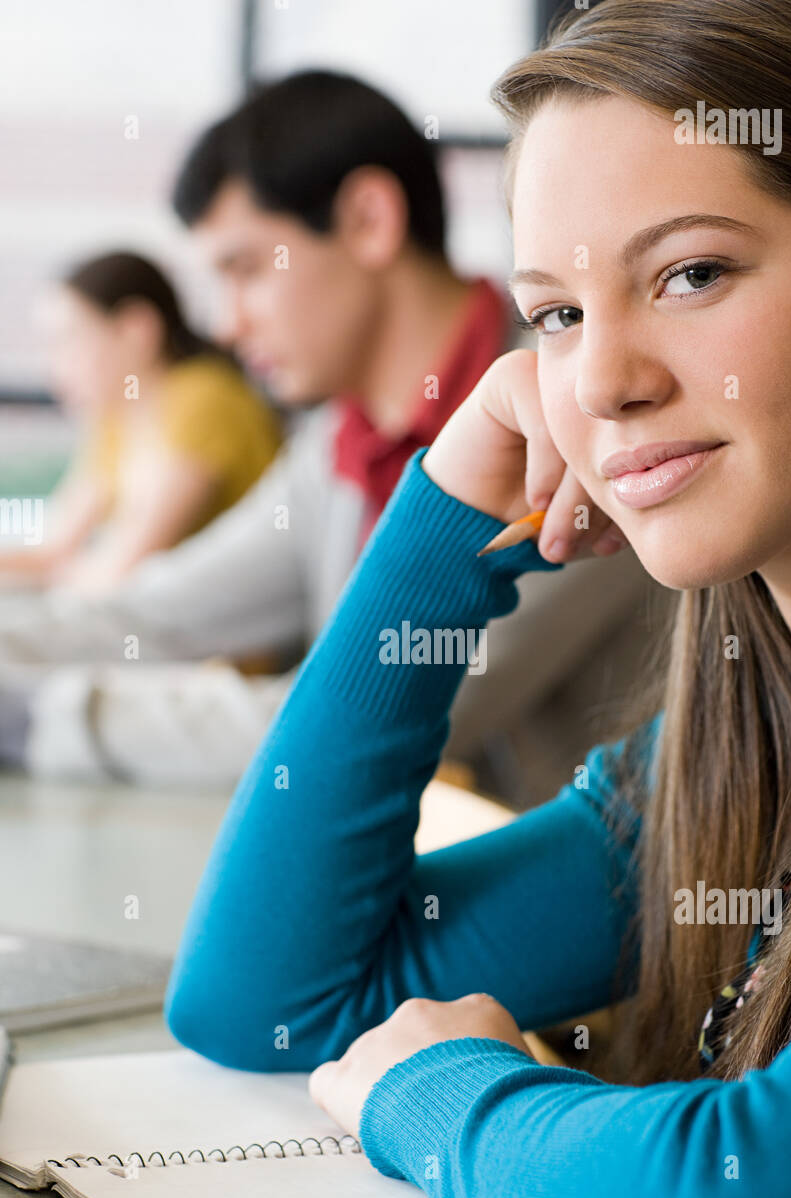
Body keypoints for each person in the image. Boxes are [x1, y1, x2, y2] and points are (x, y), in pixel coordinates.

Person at [164, 0, 791, 1198]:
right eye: (551, 314)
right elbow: (264, 1002)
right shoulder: (745, 746)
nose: (599, 381)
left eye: (690, 273)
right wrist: (441, 512)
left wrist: (443, 1090)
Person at [0, 70, 658, 795]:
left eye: (246, 269)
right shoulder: (343, 437)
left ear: (369, 220)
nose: (225, 322)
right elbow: (154, 617)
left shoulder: (570, 406)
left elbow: (369, 716)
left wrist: (32, 718)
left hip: (608, 899)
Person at [0, 251, 281, 594]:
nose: (56, 367)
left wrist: (66, 575)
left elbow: (121, 571)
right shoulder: (117, 415)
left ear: (136, 329)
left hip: (220, 640)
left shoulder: (203, 398)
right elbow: (51, 551)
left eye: (69, 339)